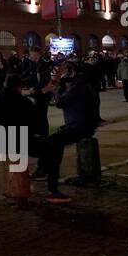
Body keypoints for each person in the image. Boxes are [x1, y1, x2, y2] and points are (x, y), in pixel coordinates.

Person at [40, 59, 100, 203]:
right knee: (52, 142)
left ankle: (52, 187)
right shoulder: (84, 85)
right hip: (82, 124)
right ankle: (45, 173)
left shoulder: (77, 87)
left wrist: (56, 89)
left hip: (79, 126)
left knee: (52, 145)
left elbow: (60, 102)